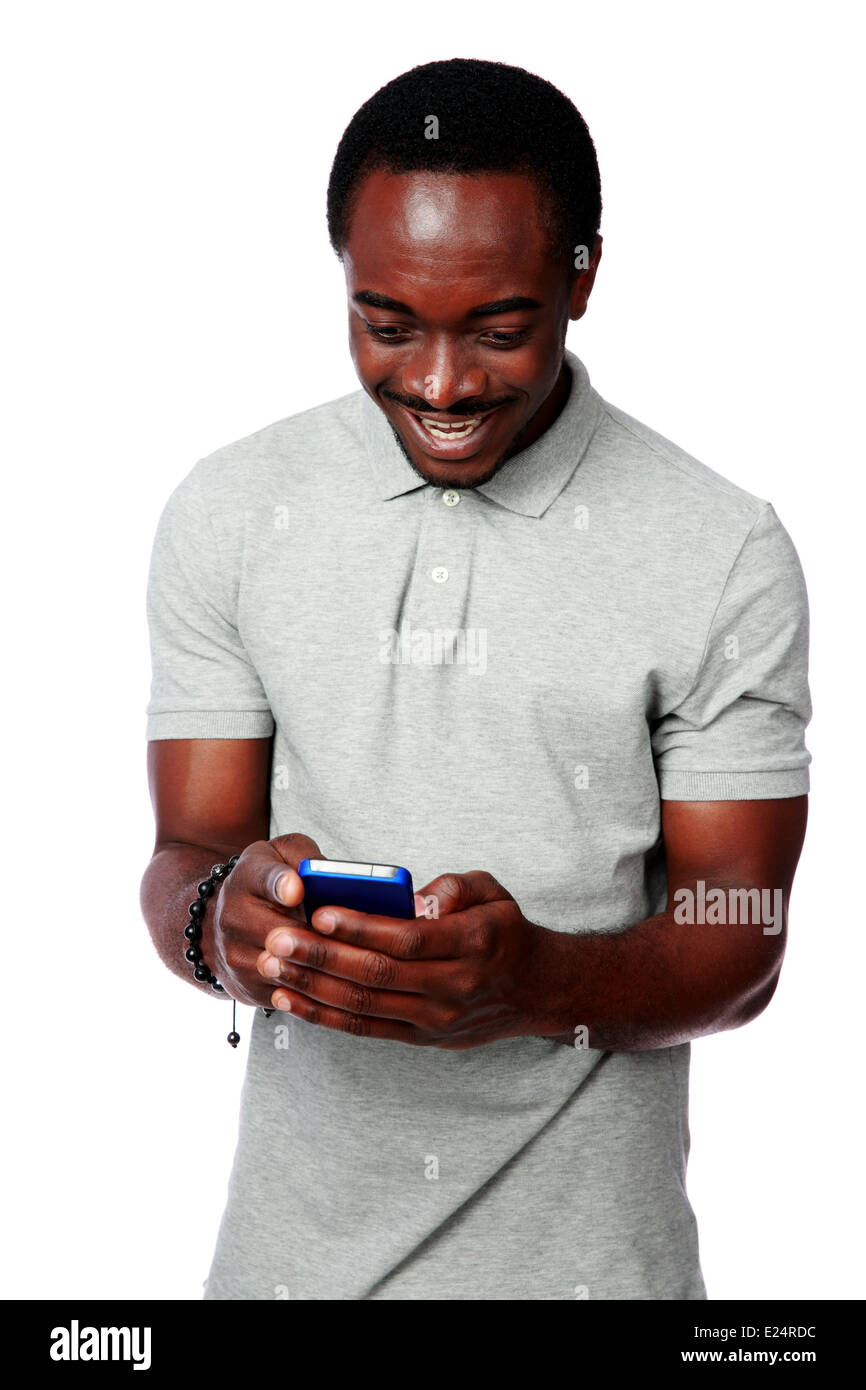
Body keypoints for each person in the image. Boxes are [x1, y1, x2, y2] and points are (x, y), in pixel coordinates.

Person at [141, 58, 810, 1301]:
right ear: (339, 271)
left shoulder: (719, 550)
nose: (440, 387)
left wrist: (534, 982)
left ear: (581, 277)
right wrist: (218, 926)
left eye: (498, 331)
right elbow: (188, 846)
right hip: (282, 1276)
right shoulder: (230, 514)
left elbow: (744, 930)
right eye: (386, 324)